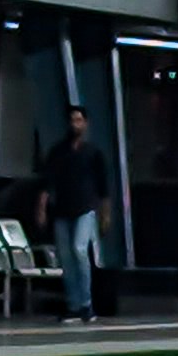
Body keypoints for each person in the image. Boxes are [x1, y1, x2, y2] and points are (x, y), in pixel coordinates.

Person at [37, 103, 113, 323]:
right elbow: (47, 182)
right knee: (66, 257)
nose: (75, 124)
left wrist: (105, 214)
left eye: (79, 120)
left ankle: (86, 303)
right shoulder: (58, 152)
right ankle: (74, 304)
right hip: (63, 209)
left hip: (85, 208)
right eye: (72, 120)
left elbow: (103, 187)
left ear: (85, 123)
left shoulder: (93, 153)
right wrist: (42, 207)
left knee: (79, 250)